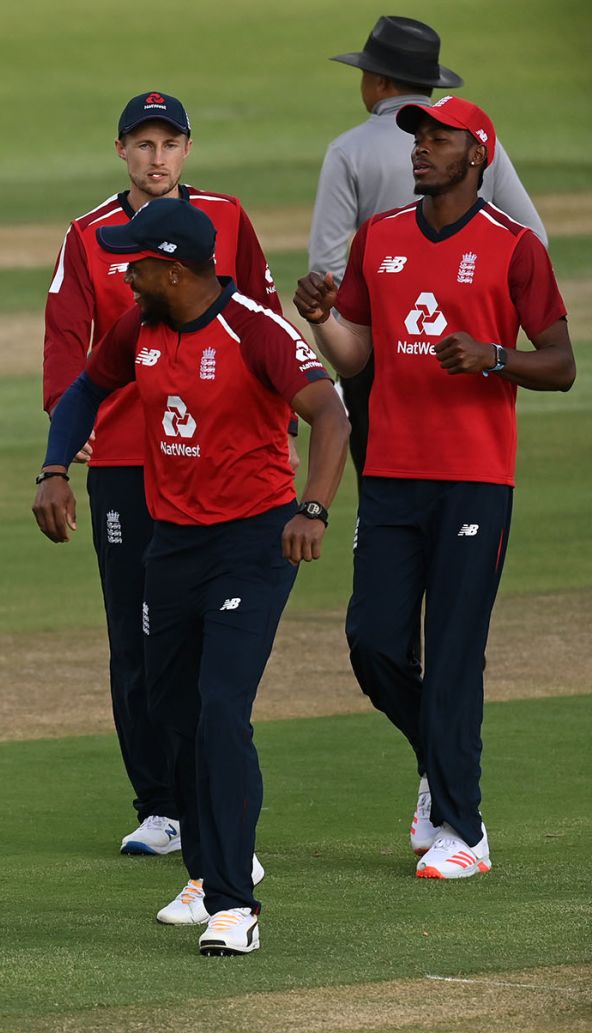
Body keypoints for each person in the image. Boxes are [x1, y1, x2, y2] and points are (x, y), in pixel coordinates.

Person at [35, 198, 349, 955]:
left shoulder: (256, 331)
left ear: (173, 269)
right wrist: (53, 469)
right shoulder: (138, 326)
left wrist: (314, 508)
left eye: (136, 264)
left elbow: (331, 413)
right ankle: (213, 871)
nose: (126, 273)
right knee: (168, 706)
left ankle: (235, 903)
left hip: (253, 540)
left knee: (218, 707)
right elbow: (86, 388)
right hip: (172, 544)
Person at [294, 97, 574, 879]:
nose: (419, 148)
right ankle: (437, 760)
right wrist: (321, 319)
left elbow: (561, 362)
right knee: (373, 644)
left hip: (475, 480)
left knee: (453, 655)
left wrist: (493, 357)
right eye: (417, 136)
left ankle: (465, 827)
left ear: (477, 154)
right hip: (389, 476)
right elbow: (354, 356)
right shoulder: (380, 238)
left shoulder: (513, 247)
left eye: (438, 138)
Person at [42, 91, 287, 877]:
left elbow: (262, 315)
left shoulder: (228, 215)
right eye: (142, 143)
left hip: (221, 465)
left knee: (208, 655)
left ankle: (211, 806)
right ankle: (160, 804)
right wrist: (63, 442)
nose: (156, 157)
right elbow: (68, 350)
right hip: (124, 459)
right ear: (122, 150)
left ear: (187, 148)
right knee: (139, 640)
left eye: (169, 142)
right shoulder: (87, 233)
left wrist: (279, 429)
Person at [308, 15, 547, 480]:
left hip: (379, 354)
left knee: (384, 492)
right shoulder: (472, 144)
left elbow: (326, 268)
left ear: (378, 81)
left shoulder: (349, 150)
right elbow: (530, 236)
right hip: (469, 349)